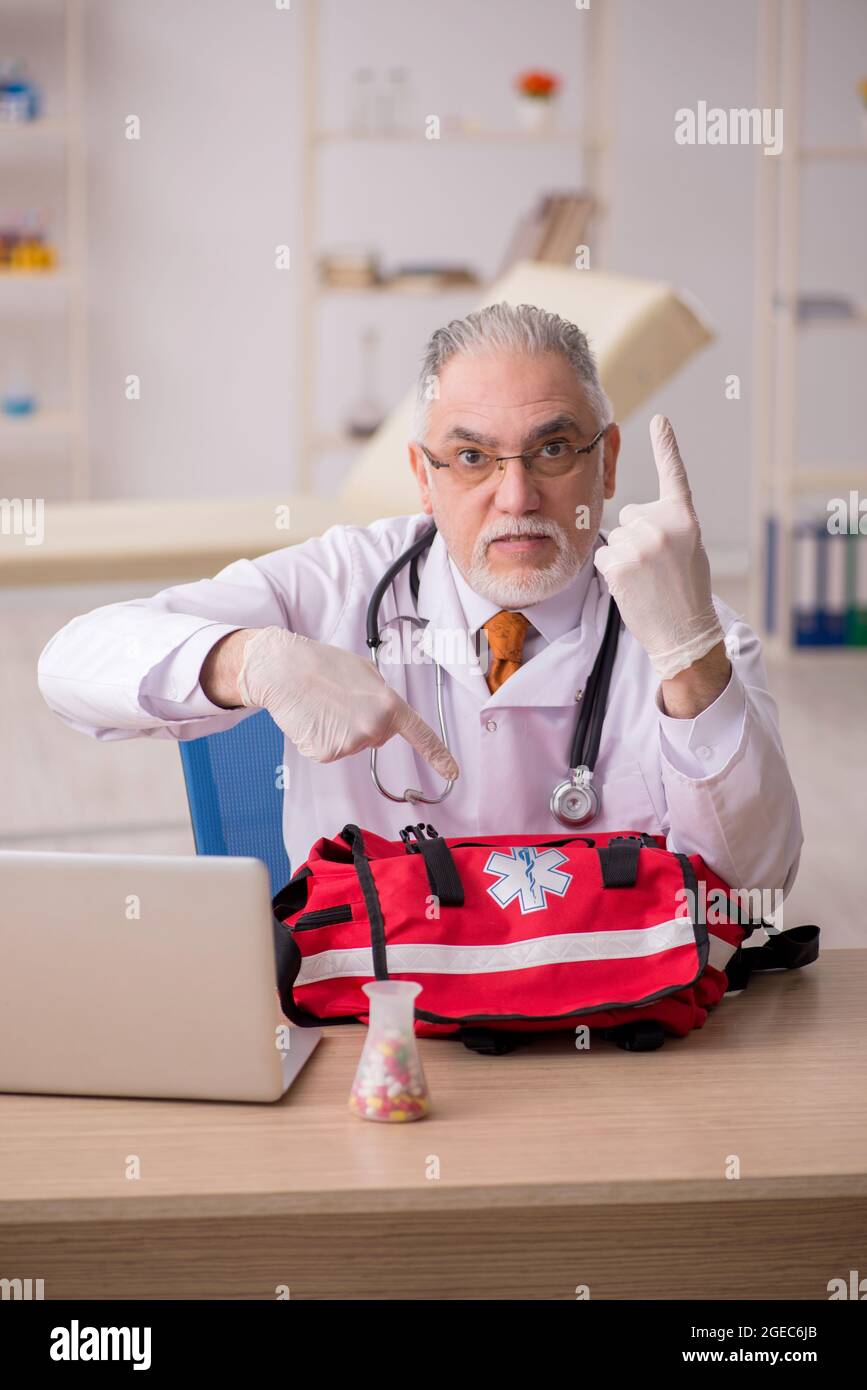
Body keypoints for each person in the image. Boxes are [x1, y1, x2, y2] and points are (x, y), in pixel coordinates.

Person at [38, 303, 801, 898]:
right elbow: (71, 664)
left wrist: (687, 657)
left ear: (606, 465)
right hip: (374, 1021)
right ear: (422, 475)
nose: (515, 495)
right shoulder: (336, 584)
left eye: (553, 449)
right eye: (471, 457)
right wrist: (251, 659)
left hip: (614, 1030)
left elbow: (756, 887)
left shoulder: (694, 632)